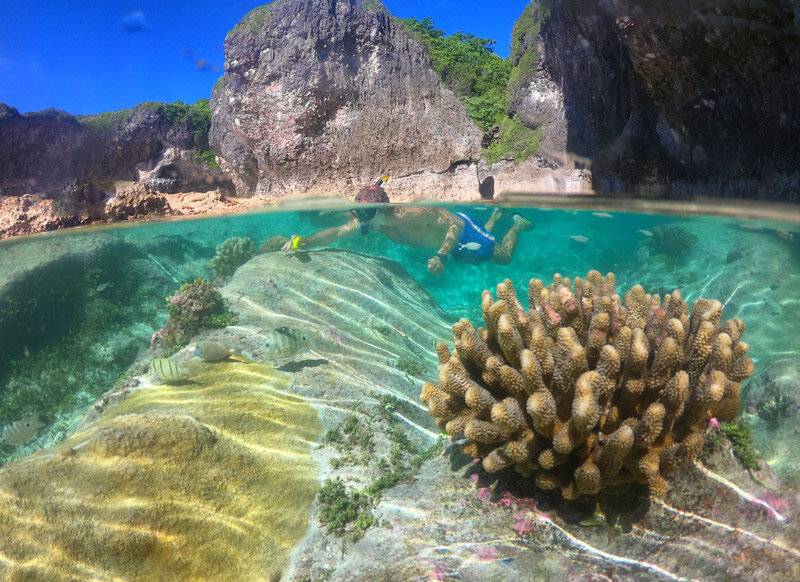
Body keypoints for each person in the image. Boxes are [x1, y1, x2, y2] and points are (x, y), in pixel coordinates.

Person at [281, 177, 532, 275]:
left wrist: (442, 256)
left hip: (461, 232)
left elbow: (454, 223)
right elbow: (335, 233)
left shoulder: (411, 213)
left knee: (502, 257)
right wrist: (304, 242)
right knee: (481, 246)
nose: (357, 218)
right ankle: (497, 215)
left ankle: (517, 224)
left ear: (379, 210)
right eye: (357, 211)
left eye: (362, 213)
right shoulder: (370, 223)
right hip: (447, 248)